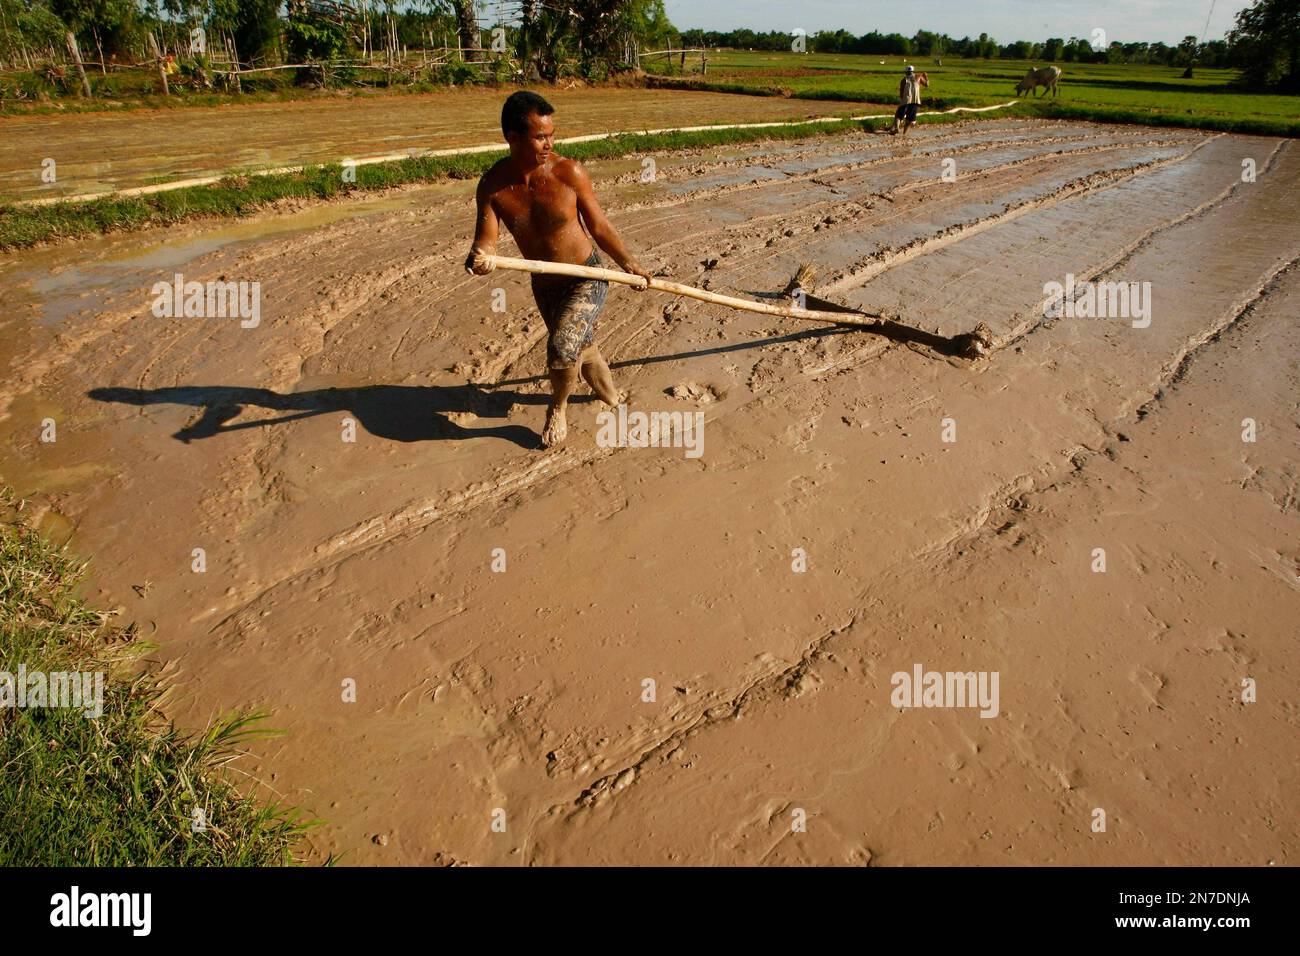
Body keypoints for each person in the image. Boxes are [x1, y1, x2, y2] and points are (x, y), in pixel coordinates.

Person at [465, 91, 651, 448]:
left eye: (552, 135)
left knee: (562, 345)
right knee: (581, 344)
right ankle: (612, 398)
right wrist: (480, 258)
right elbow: (485, 239)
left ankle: (558, 407)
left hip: (587, 276)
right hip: (545, 284)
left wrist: (630, 265)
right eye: (540, 137)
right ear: (513, 137)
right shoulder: (493, 186)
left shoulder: (569, 173)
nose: (549, 143)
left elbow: (598, 226)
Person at [890, 65, 929, 136]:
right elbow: (927, 84)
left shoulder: (903, 80)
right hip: (915, 100)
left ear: (906, 72)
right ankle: (904, 134)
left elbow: (901, 92)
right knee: (909, 119)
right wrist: (926, 76)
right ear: (913, 71)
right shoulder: (919, 77)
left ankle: (897, 128)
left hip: (906, 100)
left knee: (898, 115)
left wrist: (902, 100)